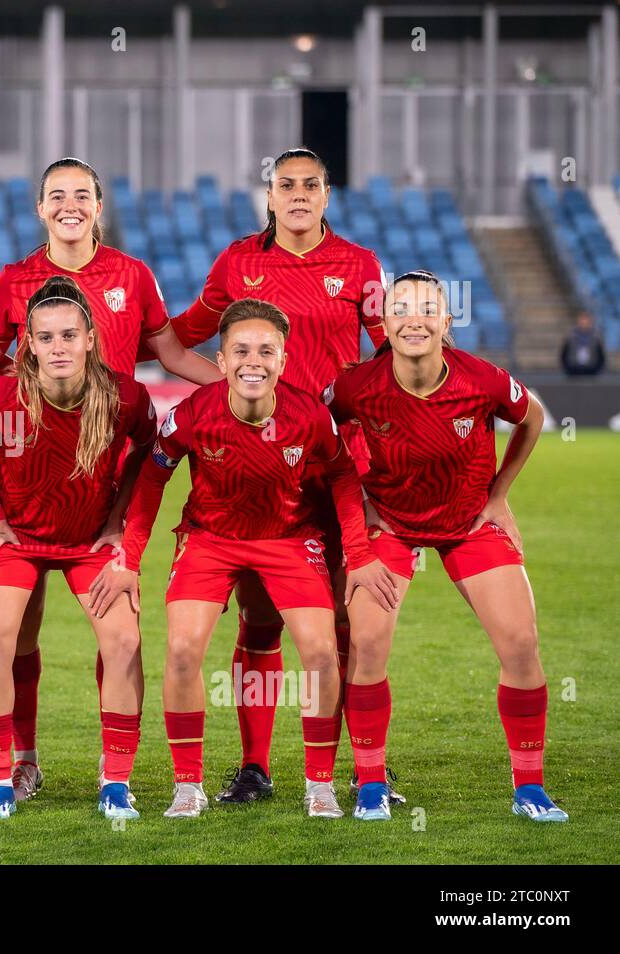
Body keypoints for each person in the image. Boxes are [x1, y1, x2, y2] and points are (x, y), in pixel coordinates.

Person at [0, 157, 221, 802]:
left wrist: (238, 385)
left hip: (103, 486)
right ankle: (20, 762)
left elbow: (174, 355)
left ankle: (113, 779)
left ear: (99, 205)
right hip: (27, 481)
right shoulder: (16, 280)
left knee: (121, 638)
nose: (71, 205)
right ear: (41, 208)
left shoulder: (131, 276)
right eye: (57, 196)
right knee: (11, 634)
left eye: (83, 195)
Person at [90, 298, 397, 819]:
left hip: (288, 538)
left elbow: (344, 477)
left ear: (282, 359)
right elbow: (152, 479)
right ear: (222, 358)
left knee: (321, 654)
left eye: (265, 351)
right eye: (240, 351)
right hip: (210, 538)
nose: (252, 361)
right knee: (183, 651)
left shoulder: (309, 415)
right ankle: (188, 786)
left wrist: (361, 553)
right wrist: (129, 558)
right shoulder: (193, 414)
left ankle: (319, 785)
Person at [166, 147, 392, 804]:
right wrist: (231, 387)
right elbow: (175, 340)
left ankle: (361, 769)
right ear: (269, 196)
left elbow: (388, 357)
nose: (298, 194)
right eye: (285, 185)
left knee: (347, 625)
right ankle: (255, 766)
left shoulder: (359, 266)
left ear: (327, 196)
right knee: (259, 619)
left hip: (335, 462)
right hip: (255, 470)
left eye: (311, 185)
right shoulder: (238, 262)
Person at [324, 270, 566, 822]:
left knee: (522, 646)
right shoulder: (359, 385)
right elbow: (320, 432)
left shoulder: (479, 379)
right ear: (383, 323)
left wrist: (499, 494)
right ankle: (370, 784)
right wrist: (357, 500)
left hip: (469, 522)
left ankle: (529, 788)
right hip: (391, 526)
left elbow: (531, 416)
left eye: (427, 308)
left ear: (445, 321)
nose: (414, 318)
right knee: (365, 647)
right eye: (401, 308)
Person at [0, 276, 156, 821]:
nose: (59, 347)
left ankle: (115, 781)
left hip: (88, 538)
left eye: (69, 335)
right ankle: (4, 779)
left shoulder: (125, 396)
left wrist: (118, 522)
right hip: (17, 537)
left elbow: (147, 446)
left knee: (123, 640)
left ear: (91, 338)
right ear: (28, 344)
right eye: (46, 338)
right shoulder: (0, 394)